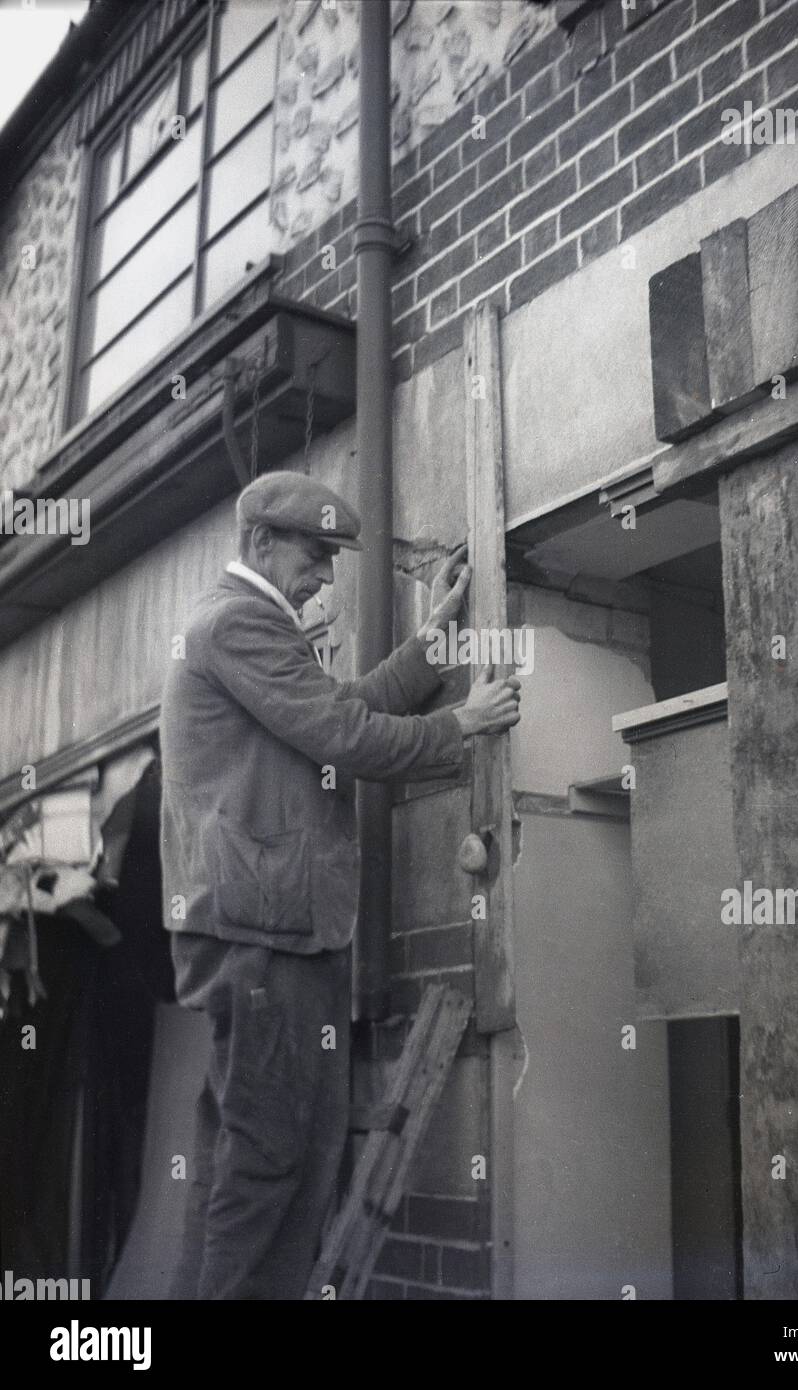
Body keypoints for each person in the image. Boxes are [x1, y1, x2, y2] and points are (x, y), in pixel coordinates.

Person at [159, 469, 521, 1299]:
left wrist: (432, 642)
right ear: (259, 544)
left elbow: (337, 706)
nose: (325, 575)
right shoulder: (239, 623)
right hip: (265, 940)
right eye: (315, 554)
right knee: (270, 1165)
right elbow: (339, 731)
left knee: (262, 1162)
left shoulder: (245, 630)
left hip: (268, 936)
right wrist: (457, 725)